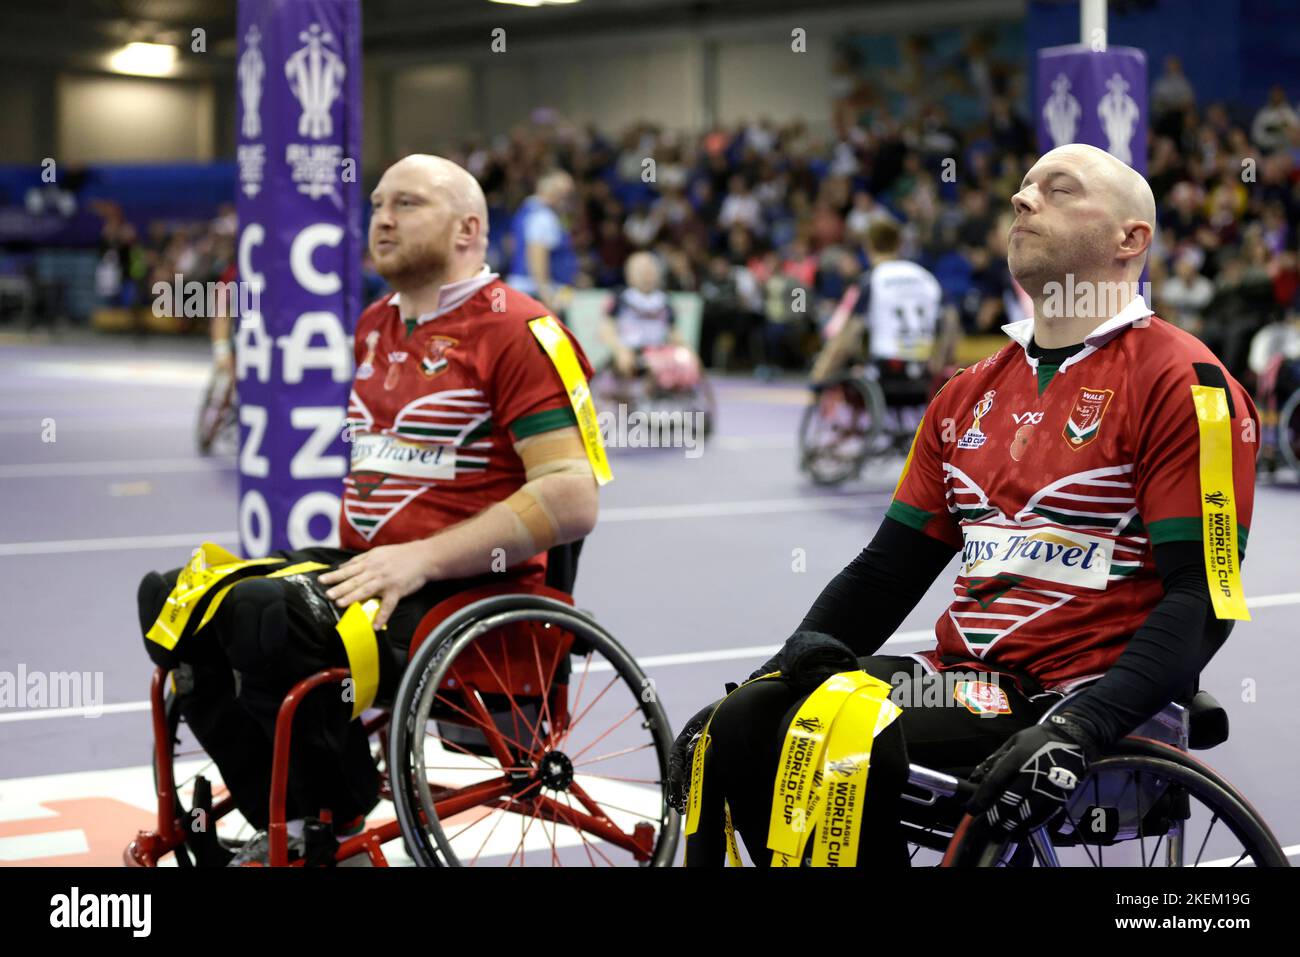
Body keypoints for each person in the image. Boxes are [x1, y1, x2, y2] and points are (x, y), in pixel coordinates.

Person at [678, 143, 1259, 867]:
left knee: (848, 738)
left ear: (1130, 239)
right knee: (747, 721)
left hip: (1083, 699)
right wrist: (777, 670)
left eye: (1058, 188)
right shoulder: (965, 393)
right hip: (969, 687)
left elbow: (1202, 596)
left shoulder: (1188, 384)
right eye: (1021, 187)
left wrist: (1081, 725)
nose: (1022, 200)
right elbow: (887, 570)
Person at [136, 154, 601, 863]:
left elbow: (572, 494)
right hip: (370, 569)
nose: (381, 218)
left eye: (407, 204)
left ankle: (330, 821)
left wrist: (419, 558)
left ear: (469, 228)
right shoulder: (376, 323)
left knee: (264, 615)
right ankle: (281, 815)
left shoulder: (522, 331)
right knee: (177, 598)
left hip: (462, 589)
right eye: (379, 203)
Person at [810, 219, 955, 400]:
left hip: (884, 374)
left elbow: (846, 336)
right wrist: (939, 362)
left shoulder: (872, 280)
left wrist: (819, 376)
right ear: (899, 245)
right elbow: (950, 322)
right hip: (923, 374)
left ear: (868, 245)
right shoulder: (927, 279)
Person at [506, 169, 579, 315]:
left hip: (528, 291)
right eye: (564, 193)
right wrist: (547, 297)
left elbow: (510, 245)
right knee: (551, 338)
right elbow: (536, 255)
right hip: (537, 295)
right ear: (550, 190)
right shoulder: (543, 217)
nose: (568, 199)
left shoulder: (527, 210)